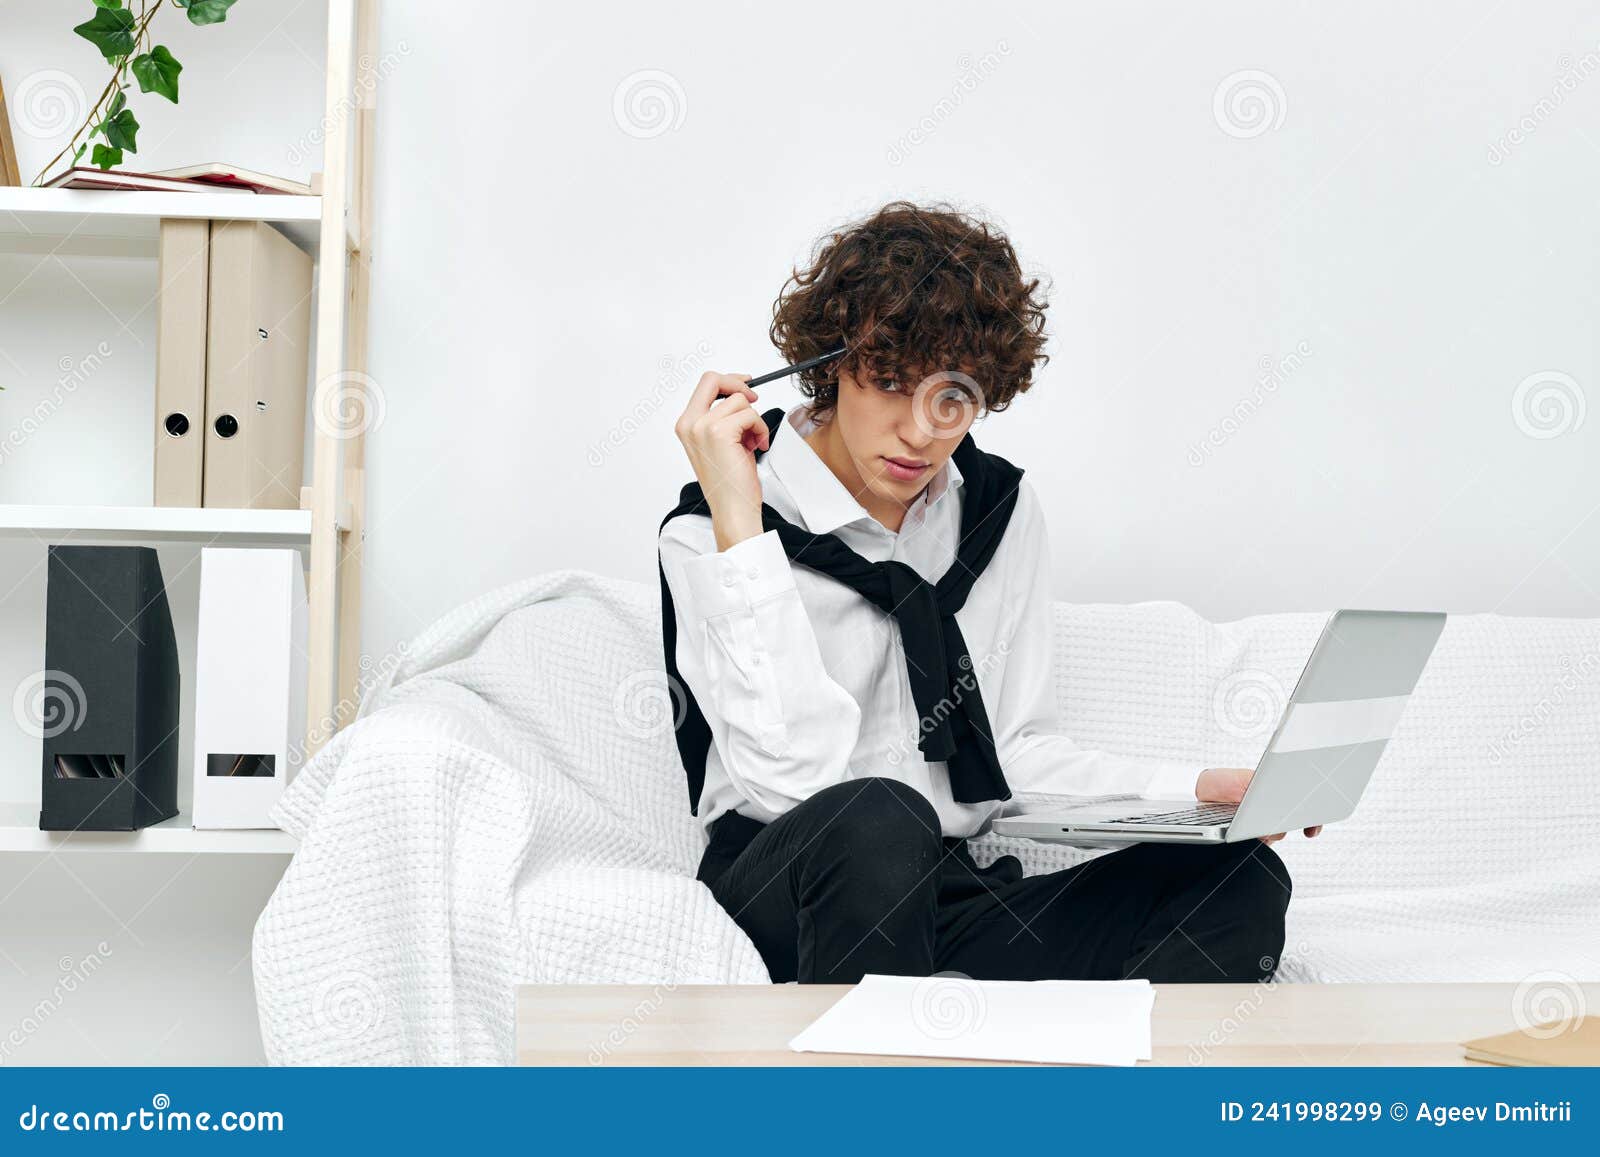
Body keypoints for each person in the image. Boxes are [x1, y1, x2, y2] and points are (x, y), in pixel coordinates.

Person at [657, 201, 1315, 986]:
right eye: (891, 384)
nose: (921, 433)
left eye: (952, 398)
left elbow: (1011, 753)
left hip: (946, 886)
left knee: (1240, 879)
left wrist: (1195, 793)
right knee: (879, 818)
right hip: (790, 886)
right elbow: (791, 782)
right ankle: (873, 1064)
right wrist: (739, 519)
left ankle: (1100, 1068)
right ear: (831, 367)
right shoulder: (712, 528)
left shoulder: (997, 510)